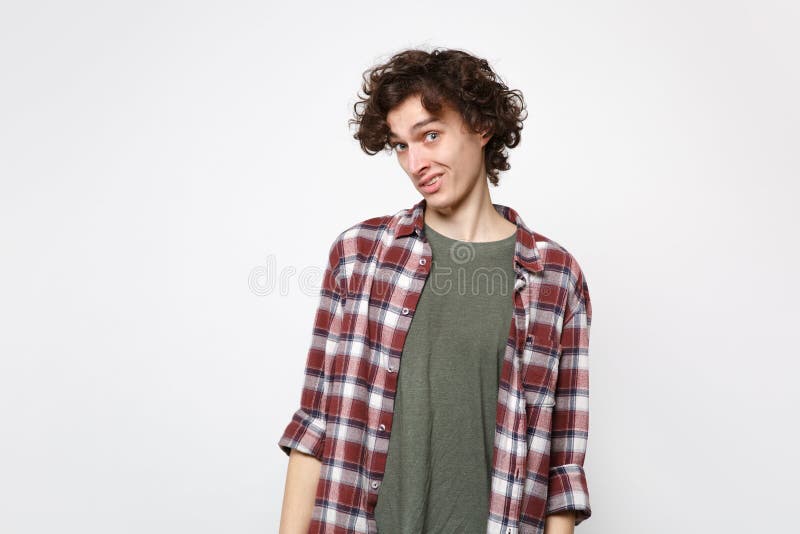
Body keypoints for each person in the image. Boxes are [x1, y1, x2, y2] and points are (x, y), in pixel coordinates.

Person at [277, 47, 592, 534]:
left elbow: (561, 470)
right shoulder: (359, 255)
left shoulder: (556, 277)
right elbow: (314, 428)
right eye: (401, 145)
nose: (415, 162)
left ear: (480, 126)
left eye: (429, 135)